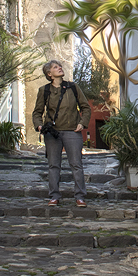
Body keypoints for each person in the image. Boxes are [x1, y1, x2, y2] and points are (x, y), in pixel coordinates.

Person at [32, 60, 91, 207]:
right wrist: (39, 125)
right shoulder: (44, 90)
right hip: (53, 133)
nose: (59, 68)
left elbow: (86, 107)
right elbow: (37, 112)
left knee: (76, 164)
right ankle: (54, 196)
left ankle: (80, 196)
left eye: (59, 66)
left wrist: (82, 123)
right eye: (55, 67)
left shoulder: (73, 87)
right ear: (49, 74)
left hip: (72, 131)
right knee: (53, 165)